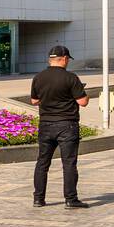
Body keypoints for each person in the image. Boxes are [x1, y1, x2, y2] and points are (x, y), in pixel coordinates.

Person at [30, 44, 90, 209]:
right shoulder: (71, 78)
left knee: (42, 162)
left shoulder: (38, 77)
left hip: (45, 124)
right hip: (67, 125)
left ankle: (38, 199)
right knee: (68, 163)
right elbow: (82, 102)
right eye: (67, 60)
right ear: (64, 59)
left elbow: (34, 101)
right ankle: (71, 199)